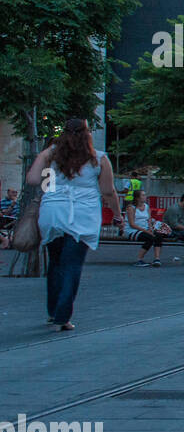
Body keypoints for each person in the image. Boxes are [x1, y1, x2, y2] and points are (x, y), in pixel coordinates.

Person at [26, 119, 124, 330]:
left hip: (53, 211)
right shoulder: (98, 158)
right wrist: (117, 215)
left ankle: (53, 312)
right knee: (72, 264)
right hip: (83, 214)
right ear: (87, 134)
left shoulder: (52, 155)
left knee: (55, 262)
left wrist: (50, 173)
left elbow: (33, 179)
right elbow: (108, 191)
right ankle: (63, 315)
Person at [125, 192, 168, 267]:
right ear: (138, 198)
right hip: (132, 230)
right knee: (150, 237)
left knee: (158, 235)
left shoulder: (147, 207)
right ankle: (139, 259)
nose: (145, 196)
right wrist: (147, 231)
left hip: (145, 229)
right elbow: (132, 224)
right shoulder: (131, 208)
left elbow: (149, 220)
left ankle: (157, 259)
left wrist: (151, 229)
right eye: (143, 195)